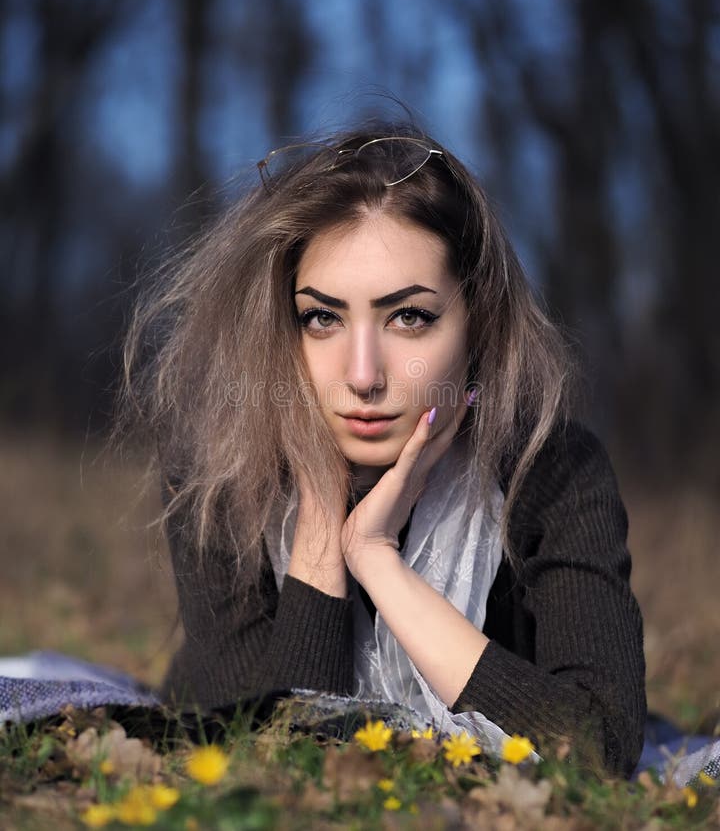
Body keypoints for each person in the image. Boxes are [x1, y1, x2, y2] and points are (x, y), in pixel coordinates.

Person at [119, 127, 646, 778]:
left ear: (477, 321)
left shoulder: (554, 469)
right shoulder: (217, 467)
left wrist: (377, 560)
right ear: (283, 327)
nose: (362, 375)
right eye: (323, 318)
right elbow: (279, 772)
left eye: (409, 318)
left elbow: (600, 752)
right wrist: (319, 513)